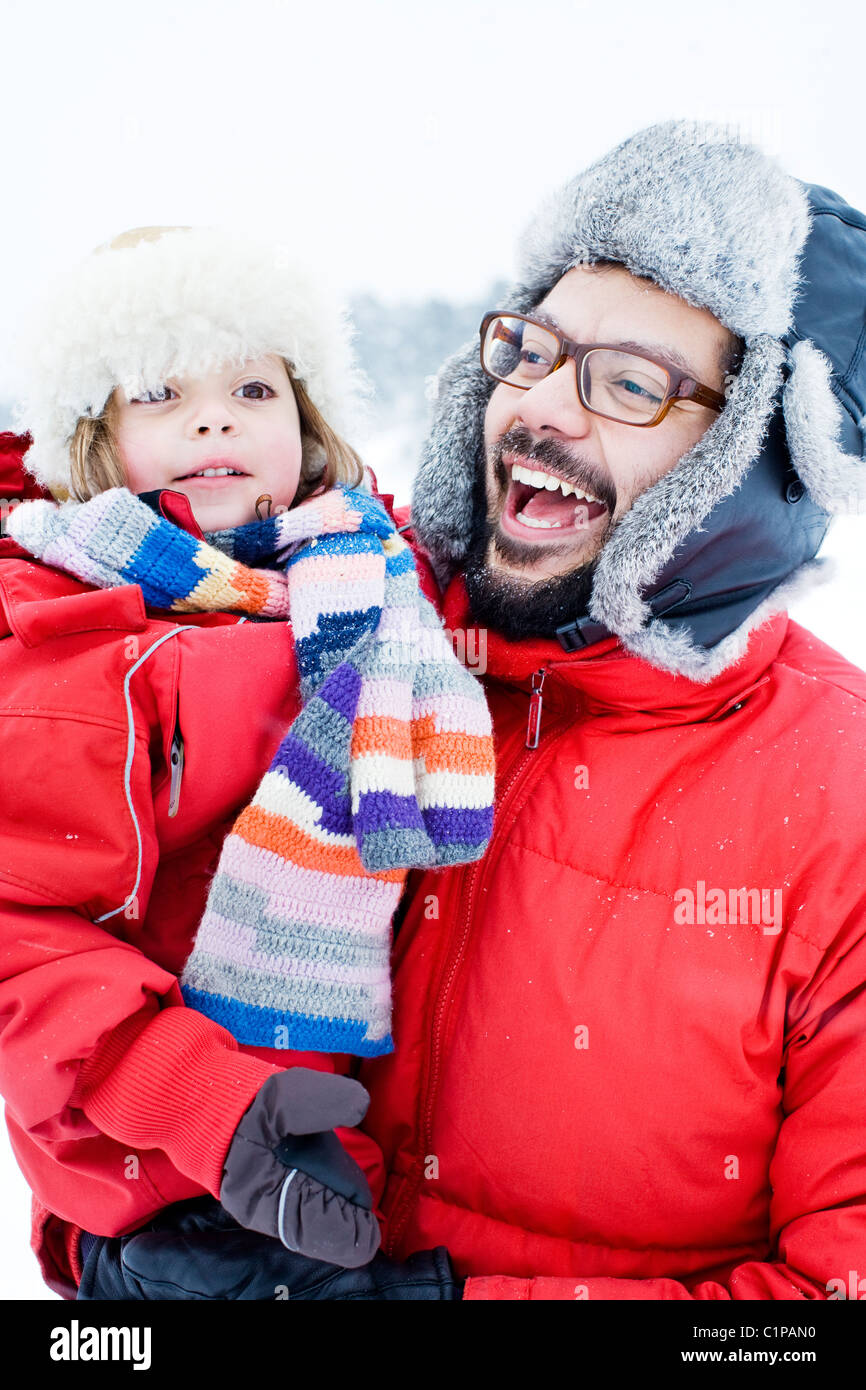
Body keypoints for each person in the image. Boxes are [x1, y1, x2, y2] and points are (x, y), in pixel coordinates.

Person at [350, 119, 866, 1299]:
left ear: (751, 467)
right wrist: (119, 1243)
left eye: (628, 383)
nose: (540, 408)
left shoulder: (836, 800)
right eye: (530, 350)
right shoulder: (349, 656)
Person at [0, 224, 491, 1298]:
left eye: (254, 390)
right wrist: (199, 1104)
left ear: (309, 426)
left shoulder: (378, 586)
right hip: (161, 1187)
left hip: (364, 1148)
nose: (213, 415)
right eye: (160, 390)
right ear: (93, 436)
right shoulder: (61, 629)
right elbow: (18, 941)